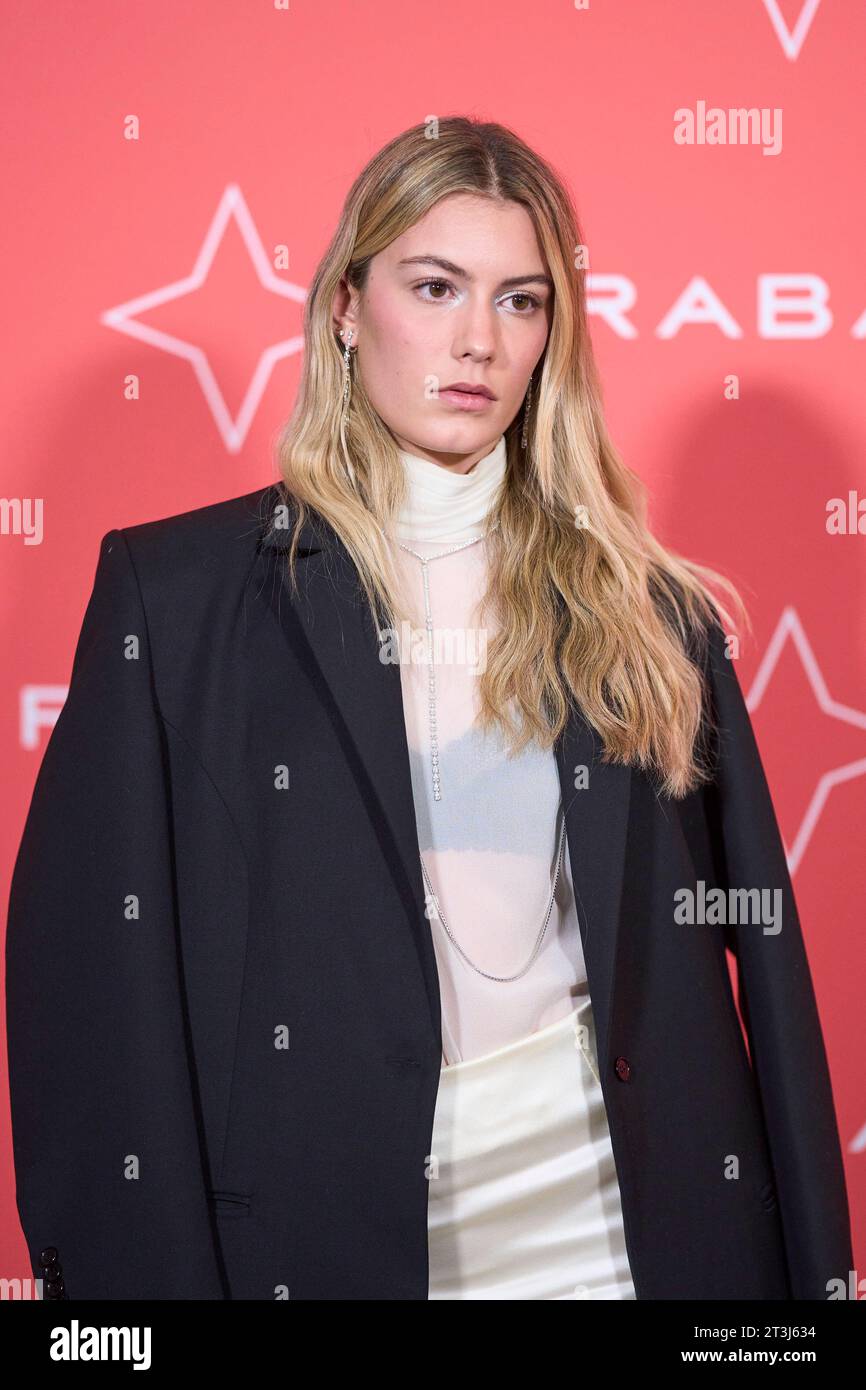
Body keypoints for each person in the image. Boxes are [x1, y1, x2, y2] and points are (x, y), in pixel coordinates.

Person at [6, 117, 853, 1301]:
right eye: (434, 285)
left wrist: (813, 1275)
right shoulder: (179, 594)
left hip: (621, 1226)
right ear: (346, 305)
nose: (475, 341)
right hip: (324, 1235)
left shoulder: (647, 609)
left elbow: (758, 971)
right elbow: (90, 996)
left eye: (519, 301)